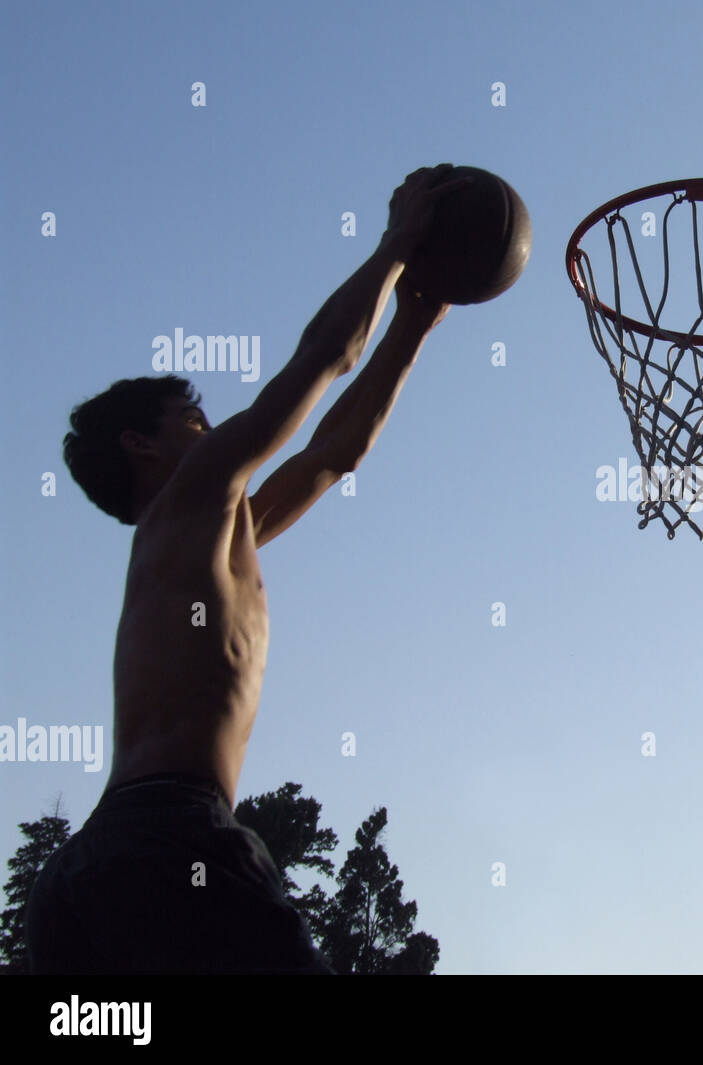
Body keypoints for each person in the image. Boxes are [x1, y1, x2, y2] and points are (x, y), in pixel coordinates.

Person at [26, 166, 466, 974]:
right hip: (171, 839)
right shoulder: (190, 494)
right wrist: (398, 242)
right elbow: (323, 357)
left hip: (106, 862)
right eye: (191, 415)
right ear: (141, 444)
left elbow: (334, 454)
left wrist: (415, 323)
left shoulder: (211, 534)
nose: (210, 422)